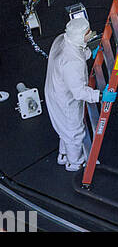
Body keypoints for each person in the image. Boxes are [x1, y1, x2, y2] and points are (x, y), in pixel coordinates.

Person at [44, 15, 103, 171]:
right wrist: (100, 95)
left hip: (54, 90)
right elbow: (78, 92)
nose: (90, 34)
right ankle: (75, 163)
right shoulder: (72, 62)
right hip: (65, 100)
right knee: (74, 132)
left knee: (64, 128)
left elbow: (77, 52)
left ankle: (63, 155)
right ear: (78, 36)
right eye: (87, 33)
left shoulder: (62, 40)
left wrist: (90, 53)